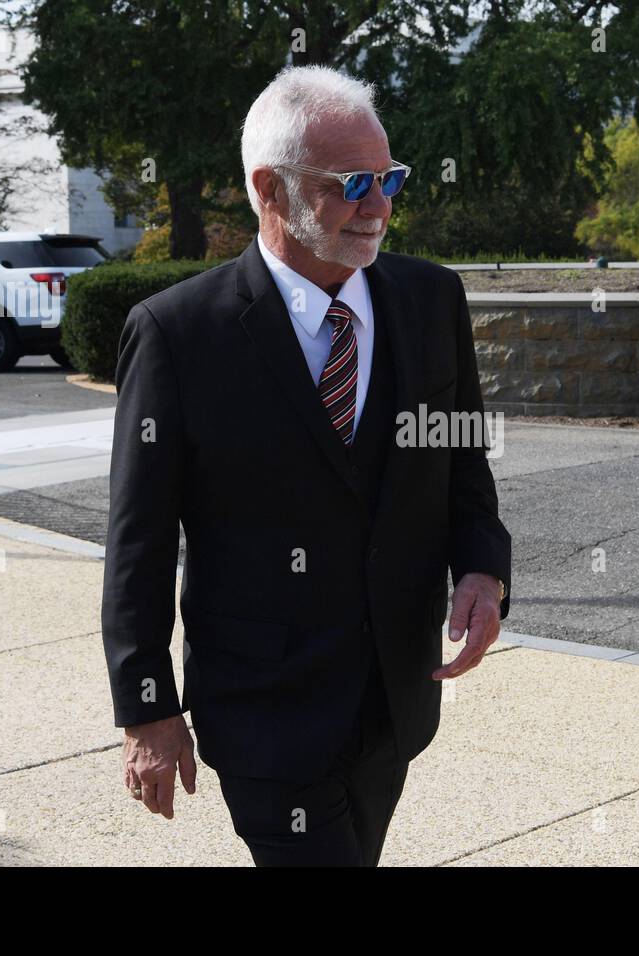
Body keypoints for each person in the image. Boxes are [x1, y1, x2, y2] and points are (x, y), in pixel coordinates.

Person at [100, 64, 512, 866]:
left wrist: (483, 568)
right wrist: (147, 709)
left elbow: (460, 458)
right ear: (270, 189)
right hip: (264, 711)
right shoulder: (179, 335)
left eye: (390, 178)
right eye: (352, 183)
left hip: (396, 696)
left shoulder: (432, 301)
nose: (380, 206)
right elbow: (139, 543)